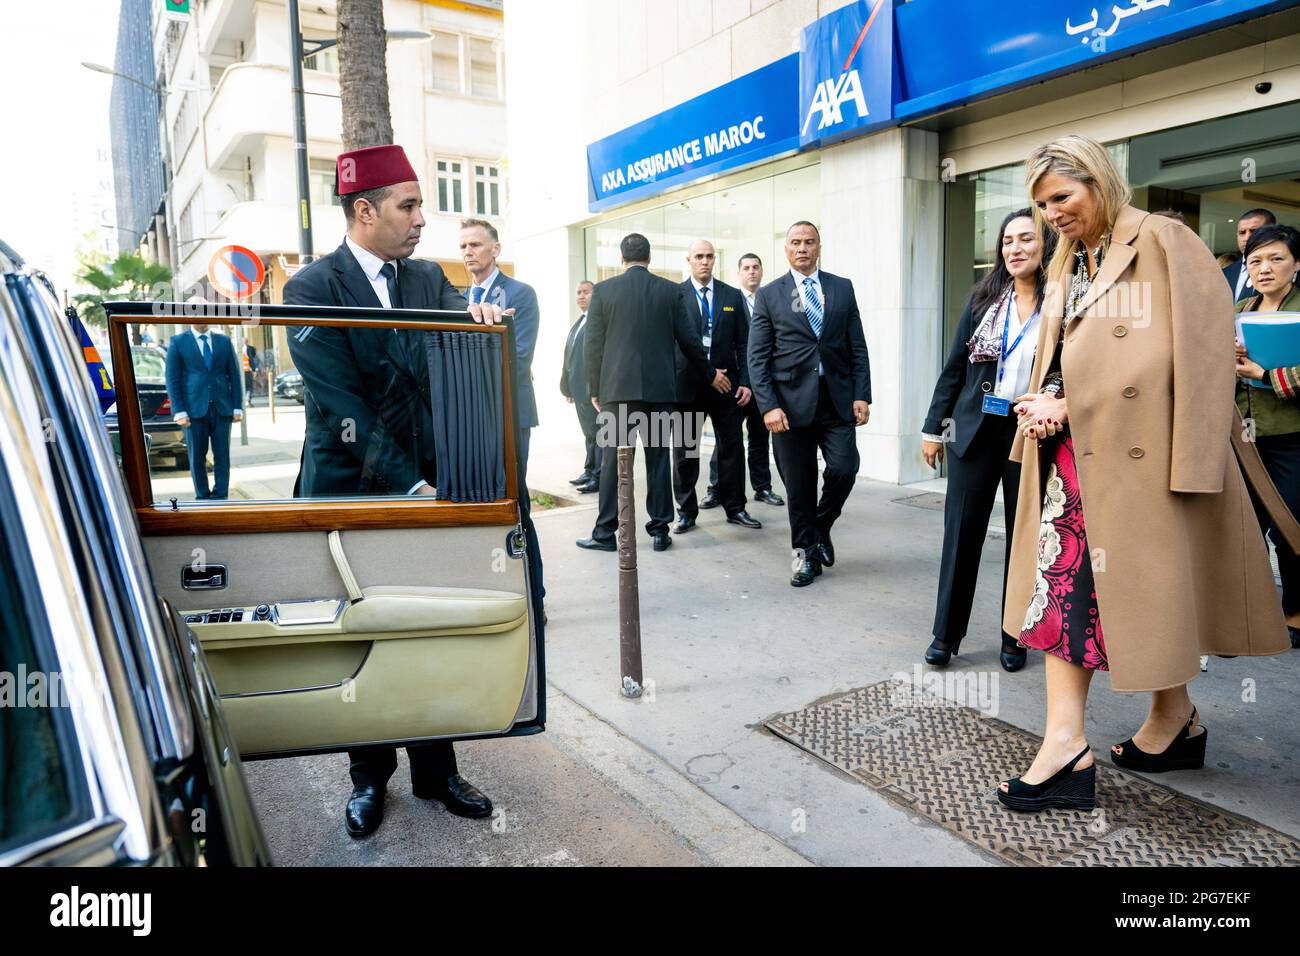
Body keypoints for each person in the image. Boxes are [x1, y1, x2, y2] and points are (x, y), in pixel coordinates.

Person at [997, 135, 1289, 814]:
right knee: (1078, 590)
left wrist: (1188, 466)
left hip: (1144, 460)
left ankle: (1066, 746)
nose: (1052, 215)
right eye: (1042, 205)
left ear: (1098, 181)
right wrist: (1047, 403)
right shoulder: (1073, 256)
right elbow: (1069, 353)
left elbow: (1202, 351)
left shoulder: (1164, 239)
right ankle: (1174, 723)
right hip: (1075, 455)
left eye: (1062, 198)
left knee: (1080, 594)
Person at [282, 143, 509, 839]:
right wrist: (410, 482)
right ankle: (367, 777)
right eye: (408, 205)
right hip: (356, 489)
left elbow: (453, 345)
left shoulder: (429, 279)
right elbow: (342, 408)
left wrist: (477, 323)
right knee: (368, 635)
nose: (421, 219)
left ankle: (437, 772)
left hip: (429, 487)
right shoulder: (310, 288)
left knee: (430, 626)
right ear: (363, 210)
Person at [921, 208, 1056, 672]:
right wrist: (933, 428)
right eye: (1007, 241)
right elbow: (955, 367)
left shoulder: (1062, 303)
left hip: (1031, 432)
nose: (1015, 248)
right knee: (961, 534)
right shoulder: (983, 300)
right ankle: (945, 633)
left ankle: (1014, 636)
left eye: (1026, 239)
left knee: (1025, 539)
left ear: (1047, 245)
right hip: (973, 428)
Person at [576, 233, 721, 553]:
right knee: (658, 460)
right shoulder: (670, 292)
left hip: (617, 393)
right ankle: (659, 530)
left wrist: (595, 389)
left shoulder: (604, 291)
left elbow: (593, 345)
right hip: (659, 394)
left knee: (613, 461)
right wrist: (710, 374)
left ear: (622, 258)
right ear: (650, 257)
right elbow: (689, 341)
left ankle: (604, 533)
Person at [748, 221, 871, 587]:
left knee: (845, 469)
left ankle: (820, 527)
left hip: (836, 402)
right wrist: (768, 405)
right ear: (786, 249)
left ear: (819, 247)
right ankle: (804, 556)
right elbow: (757, 358)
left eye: (809, 242)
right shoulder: (770, 295)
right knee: (799, 489)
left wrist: (862, 394)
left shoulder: (841, 288)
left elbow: (857, 347)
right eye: (795, 242)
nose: (802, 248)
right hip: (787, 408)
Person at [460, 218, 546, 605]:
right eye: (463, 246)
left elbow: (519, 353)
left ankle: (533, 595)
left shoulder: (519, 294)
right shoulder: (458, 298)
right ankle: (495, 591)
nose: (468, 252)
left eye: (475, 245)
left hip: (509, 413)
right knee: (480, 503)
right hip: (469, 418)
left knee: (516, 503)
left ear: (496, 249)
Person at [1233, 224, 1300, 649]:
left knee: (1291, 522)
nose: (1265, 268)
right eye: (1255, 260)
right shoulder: (1239, 306)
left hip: (1292, 433)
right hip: (1242, 434)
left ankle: (1295, 610)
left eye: (1276, 258)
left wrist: (1266, 375)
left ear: (1297, 264)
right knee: (1243, 525)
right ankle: (1246, 613)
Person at [671, 240, 762, 534]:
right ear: (689, 260)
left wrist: (747, 382)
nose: (705, 261)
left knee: (732, 449)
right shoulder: (676, 296)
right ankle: (686, 512)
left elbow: (745, 343)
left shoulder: (732, 296)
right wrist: (707, 373)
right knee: (686, 451)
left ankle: (735, 507)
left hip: (727, 389)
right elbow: (673, 345)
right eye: (699, 256)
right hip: (688, 388)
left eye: (710, 256)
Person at [703, 253, 784, 509]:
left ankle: (762, 487)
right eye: (746, 268)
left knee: (760, 438)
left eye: (756, 267)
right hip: (736, 386)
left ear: (762, 271)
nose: (751, 272)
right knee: (727, 440)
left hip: (765, 385)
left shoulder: (770, 299)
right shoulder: (729, 299)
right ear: (739, 273)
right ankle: (716, 488)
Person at [164, 322, 242, 500]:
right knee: (197, 457)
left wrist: (237, 406)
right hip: (192, 411)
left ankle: (221, 496)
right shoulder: (178, 342)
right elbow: (172, 378)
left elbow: (235, 376)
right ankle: (202, 497)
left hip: (222, 409)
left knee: (222, 456)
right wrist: (179, 411)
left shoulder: (224, 341)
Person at [561, 280, 599, 493]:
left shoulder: (596, 321)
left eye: (586, 292)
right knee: (588, 433)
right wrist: (567, 387)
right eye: (578, 292)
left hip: (591, 389)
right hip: (578, 389)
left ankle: (599, 476)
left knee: (597, 433)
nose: (581, 296)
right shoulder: (580, 322)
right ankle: (589, 470)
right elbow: (570, 356)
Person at [1223, 208, 1276, 302]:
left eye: (1254, 231)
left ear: (1272, 233)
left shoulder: (1287, 270)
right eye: (1242, 233)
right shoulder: (1224, 273)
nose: (1247, 238)